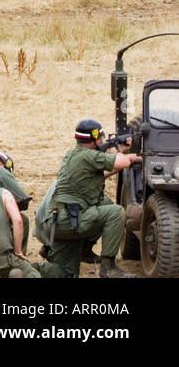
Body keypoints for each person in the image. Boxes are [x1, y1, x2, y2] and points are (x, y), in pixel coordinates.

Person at [36, 119, 141, 278]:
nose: (101, 139)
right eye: (100, 136)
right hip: (69, 222)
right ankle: (109, 269)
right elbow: (123, 162)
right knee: (115, 212)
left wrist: (120, 152)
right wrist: (119, 151)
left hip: (57, 223)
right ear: (93, 137)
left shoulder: (72, 154)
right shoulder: (89, 155)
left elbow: (100, 174)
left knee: (67, 273)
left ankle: (25, 270)